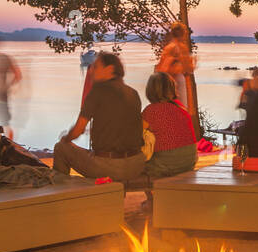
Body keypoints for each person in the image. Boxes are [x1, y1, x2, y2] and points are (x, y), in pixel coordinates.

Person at [53, 52, 146, 181]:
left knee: (61, 148)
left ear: (110, 69)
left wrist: (66, 138)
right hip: (136, 165)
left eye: (96, 67)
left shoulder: (98, 91)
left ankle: (60, 192)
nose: (91, 70)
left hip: (110, 167)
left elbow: (78, 130)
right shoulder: (133, 93)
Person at [142, 72, 198, 178]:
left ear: (150, 91)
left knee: (138, 165)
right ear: (172, 89)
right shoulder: (180, 108)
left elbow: (134, 134)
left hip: (166, 165)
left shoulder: (150, 111)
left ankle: (154, 194)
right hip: (189, 161)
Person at [155, 23, 195, 110]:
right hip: (176, 82)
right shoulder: (178, 48)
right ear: (183, 34)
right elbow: (188, 69)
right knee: (179, 109)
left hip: (172, 82)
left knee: (174, 108)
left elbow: (161, 69)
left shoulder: (171, 47)